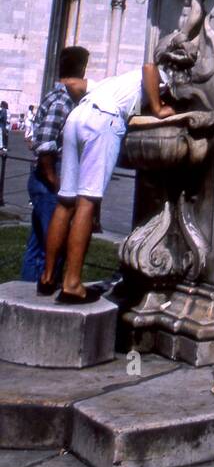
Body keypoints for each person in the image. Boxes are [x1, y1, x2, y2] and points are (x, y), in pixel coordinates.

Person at [40, 62, 175, 303]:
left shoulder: (114, 81)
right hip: (104, 119)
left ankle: (48, 277)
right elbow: (150, 66)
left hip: (77, 117)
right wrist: (158, 107)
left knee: (65, 200)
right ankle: (72, 283)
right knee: (87, 200)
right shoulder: (164, 77)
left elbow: (73, 83)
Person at [19, 48, 90, 283]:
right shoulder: (62, 101)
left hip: (47, 180)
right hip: (49, 181)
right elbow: (47, 145)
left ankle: (28, 295)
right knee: (52, 246)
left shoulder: (56, 96)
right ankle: (39, 297)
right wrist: (54, 180)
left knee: (39, 244)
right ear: (80, 70)